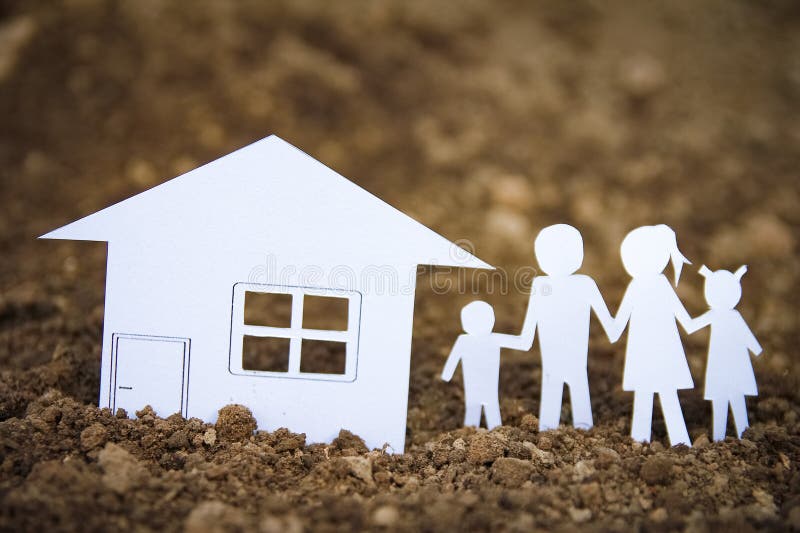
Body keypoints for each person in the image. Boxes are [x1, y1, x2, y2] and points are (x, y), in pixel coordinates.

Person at [520, 224, 616, 431]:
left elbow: (527, 334)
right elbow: (611, 326)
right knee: (569, 391)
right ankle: (577, 430)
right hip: (567, 357)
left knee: (556, 393)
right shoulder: (581, 284)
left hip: (563, 357)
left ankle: (568, 431)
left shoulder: (547, 285)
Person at [610, 224, 694, 446]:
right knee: (663, 394)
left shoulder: (638, 286)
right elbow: (685, 319)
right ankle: (675, 441)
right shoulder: (657, 285)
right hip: (661, 350)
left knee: (648, 395)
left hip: (647, 352)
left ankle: (644, 441)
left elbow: (618, 324)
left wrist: (610, 328)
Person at [690, 265, 762, 441]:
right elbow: (692, 325)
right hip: (725, 365)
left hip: (729, 365)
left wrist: (756, 348)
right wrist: (756, 349)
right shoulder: (721, 315)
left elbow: (691, 325)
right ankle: (721, 438)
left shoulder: (730, 316)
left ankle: (742, 435)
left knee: (732, 399)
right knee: (725, 400)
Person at [441, 301, 528, 429]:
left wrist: (447, 375)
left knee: (483, 410)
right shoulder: (466, 340)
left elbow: (522, 343)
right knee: (479, 410)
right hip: (477, 387)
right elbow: (522, 343)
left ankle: (491, 433)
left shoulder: (469, 340)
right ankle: (485, 433)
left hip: (483, 387)